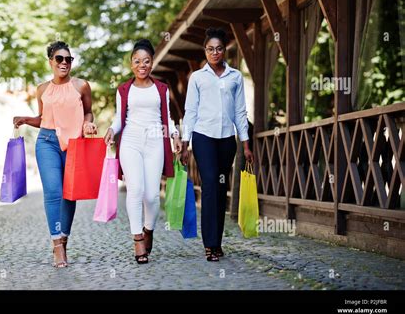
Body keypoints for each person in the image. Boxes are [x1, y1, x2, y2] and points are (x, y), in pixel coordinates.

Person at [13, 41, 97, 268]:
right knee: (53, 192)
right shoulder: (42, 89)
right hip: (47, 143)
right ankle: (57, 246)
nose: (64, 63)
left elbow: (88, 112)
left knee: (70, 195)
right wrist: (25, 119)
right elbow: (43, 119)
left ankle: (64, 238)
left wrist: (89, 124)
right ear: (50, 61)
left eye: (68, 59)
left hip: (75, 145)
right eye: (59, 59)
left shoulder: (81, 86)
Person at [104, 39, 182, 264]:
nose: (142, 65)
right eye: (137, 61)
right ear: (131, 64)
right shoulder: (123, 90)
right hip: (131, 141)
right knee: (136, 190)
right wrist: (111, 129)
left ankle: (149, 230)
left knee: (151, 196)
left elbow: (166, 117)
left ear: (152, 63)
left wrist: (175, 134)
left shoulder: (161, 89)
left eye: (146, 61)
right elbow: (120, 119)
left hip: (156, 141)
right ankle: (137, 238)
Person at [180, 28, 254, 262]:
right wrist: (185, 141)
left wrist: (246, 144)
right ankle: (209, 244)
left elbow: (241, 112)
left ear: (225, 50)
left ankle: (217, 242)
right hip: (203, 137)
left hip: (226, 140)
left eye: (219, 48)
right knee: (211, 184)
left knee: (221, 188)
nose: (214, 52)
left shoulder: (235, 77)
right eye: (210, 49)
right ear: (205, 51)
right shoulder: (197, 78)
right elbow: (190, 111)